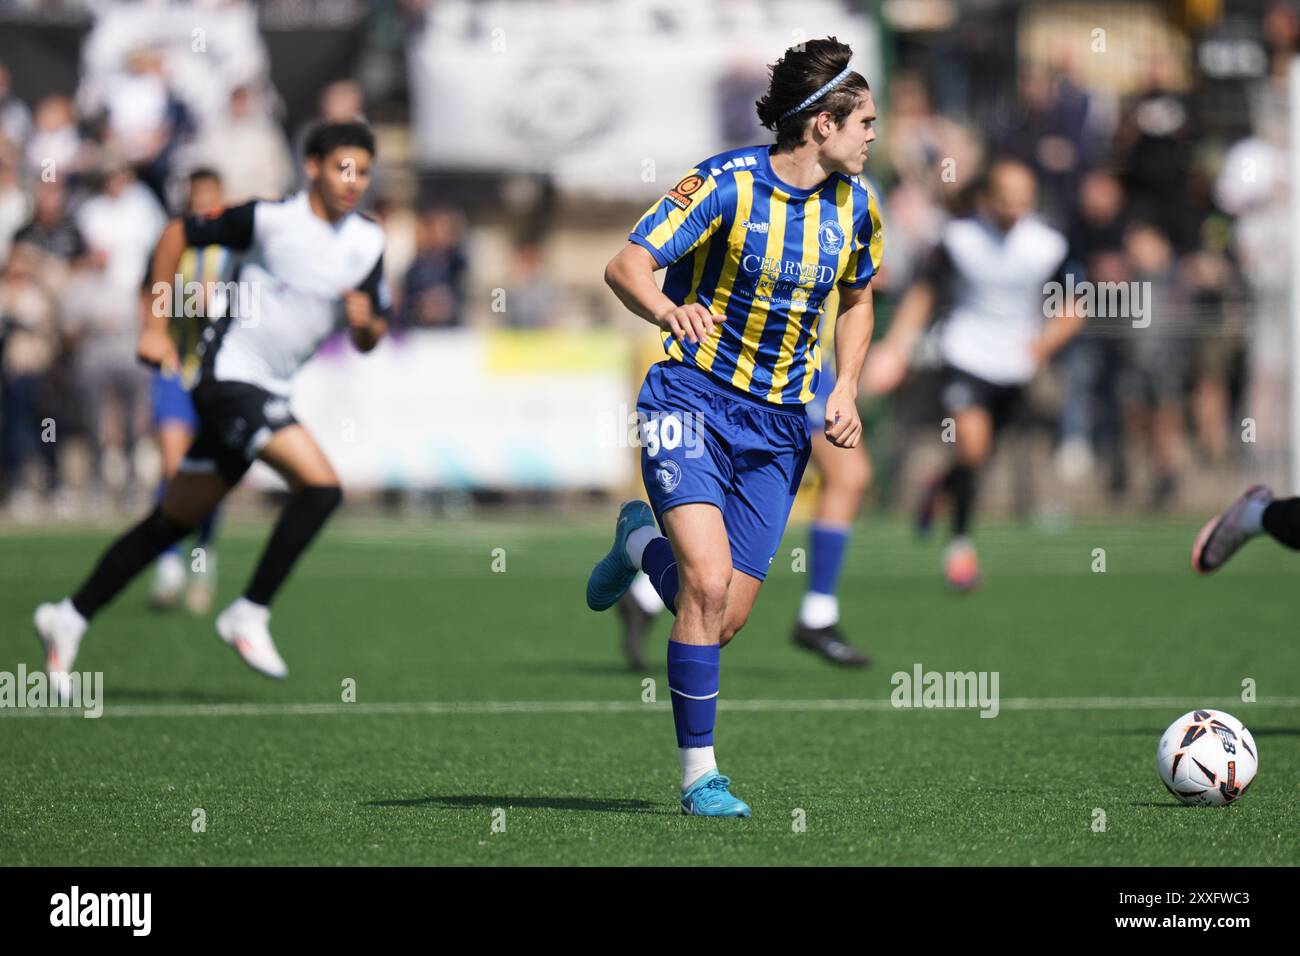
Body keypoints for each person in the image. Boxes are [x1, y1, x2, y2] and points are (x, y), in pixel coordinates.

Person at [587, 37, 882, 816]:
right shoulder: (721, 184)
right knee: (708, 586)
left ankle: (635, 543)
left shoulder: (858, 205)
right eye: (864, 122)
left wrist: (844, 386)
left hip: (779, 428)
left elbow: (857, 300)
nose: (873, 135)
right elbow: (626, 266)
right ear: (821, 124)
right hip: (689, 401)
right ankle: (699, 779)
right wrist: (666, 310)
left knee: (720, 621)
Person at [34, 121, 390, 697]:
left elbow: (372, 332)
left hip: (272, 391)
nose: (354, 182)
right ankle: (248, 613)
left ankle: (67, 616)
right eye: (343, 167)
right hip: (227, 380)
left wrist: (366, 324)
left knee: (167, 523)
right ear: (314, 167)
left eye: (365, 172)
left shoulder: (368, 241)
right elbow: (177, 234)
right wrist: (154, 325)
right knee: (321, 488)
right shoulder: (271, 219)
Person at [863, 159, 1082, 590]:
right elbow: (923, 296)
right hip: (965, 354)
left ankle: (938, 488)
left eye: (1023, 199)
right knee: (974, 446)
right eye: (1006, 198)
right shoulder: (958, 240)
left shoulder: (1048, 245)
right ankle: (960, 549)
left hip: (1016, 365)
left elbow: (1075, 306)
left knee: (975, 459)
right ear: (989, 198)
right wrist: (895, 350)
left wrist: (1042, 346)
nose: (1014, 208)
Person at [148, 168, 234, 613]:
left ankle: (203, 557)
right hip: (175, 370)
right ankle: (167, 561)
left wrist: (219, 302)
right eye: (196, 196)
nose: (203, 205)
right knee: (172, 467)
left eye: (210, 197)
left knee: (209, 478)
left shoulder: (236, 250)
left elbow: (251, 309)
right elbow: (153, 296)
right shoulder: (173, 243)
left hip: (218, 379)